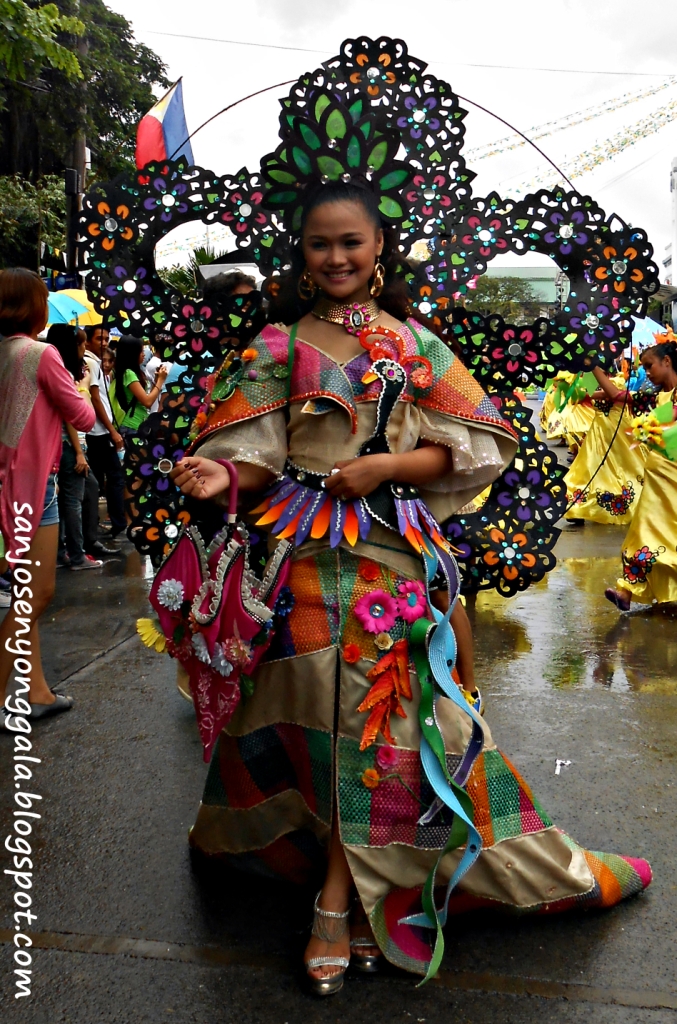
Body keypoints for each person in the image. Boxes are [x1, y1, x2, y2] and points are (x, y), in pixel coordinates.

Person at [169, 183, 651, 994]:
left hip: (394, 554)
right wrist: (219, 471)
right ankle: (351, 886)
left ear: (377, 248)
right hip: (299, 553)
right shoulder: (277, 345)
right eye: (320, 244)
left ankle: (337, 901)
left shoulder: (415, 342)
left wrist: (386, 467)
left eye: (350, 242)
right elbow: (252, 455)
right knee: (317, 714)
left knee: (382, 714)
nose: (336, 258)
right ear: (303, 254)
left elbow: (467, 449)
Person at [0, 268, 96, 726]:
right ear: (33, 308)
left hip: (8, 485)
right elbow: (82, 415)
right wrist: (79, 388)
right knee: (37, 594)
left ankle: (36, 689)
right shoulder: (41, 354)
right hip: (34, 488)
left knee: (23, 593)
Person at [604, 338, 677, 611]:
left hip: (674, 478)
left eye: (650, 366)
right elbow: (616, 395)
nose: (646, 372)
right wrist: (593, 368)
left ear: (666, 362)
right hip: (657, 483)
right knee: (642, 531)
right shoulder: (655, 397)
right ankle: (626, 591)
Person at [46, 325, 104, 570]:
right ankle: (77, 556)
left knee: (62, 501)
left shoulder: (58, 371)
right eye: (81, 344)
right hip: (70, 445)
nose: (84, 348)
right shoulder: (64, 376)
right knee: (72, 500)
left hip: (61, 445)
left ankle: (62, 554)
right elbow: (70, 416)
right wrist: (80, 452)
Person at [564, 366, 648, 526]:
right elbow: (580, 397)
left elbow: (609, 395)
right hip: (599, 430)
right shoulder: (589, 381)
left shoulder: (617, 381)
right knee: (591, 467)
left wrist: (587, 392)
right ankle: (579, 507)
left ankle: (630, 502)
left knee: (623, 466)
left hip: (618, 427)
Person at [83, 324, 126, 541]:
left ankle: (96, 526)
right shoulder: (90, 363)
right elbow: (96, 400)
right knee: (112, 477)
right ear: (88, 340)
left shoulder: (94, 363)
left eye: (107, 338)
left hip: (98, 430)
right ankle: (115, 523)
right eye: (100, 338)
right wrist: (112, 430)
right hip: (98, 431)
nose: (104, 342)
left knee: (99, 480)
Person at [109, 335, 168, 435]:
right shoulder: (129, 374)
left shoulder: (129, 372)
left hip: (135, 424)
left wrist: (157, 380)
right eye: (140, 351)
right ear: (131, 354)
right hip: (131, 426)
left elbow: (148, 398)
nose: (143, 354)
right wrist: (161, 380)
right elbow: (148, 402)